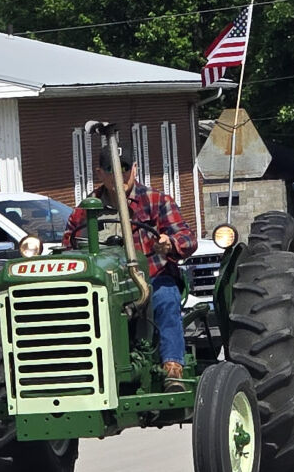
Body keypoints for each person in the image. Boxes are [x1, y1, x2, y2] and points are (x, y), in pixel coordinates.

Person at [62, 145, 197, 392]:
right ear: (99, 173)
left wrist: (169, 244)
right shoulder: (85, 211)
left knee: (166, 297)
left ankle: (172, 368)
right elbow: (68, 247)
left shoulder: (157, 201)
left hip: (152, 278)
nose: (119, 176)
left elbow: (188, 239)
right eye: (111, 170)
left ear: (134, 169)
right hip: (105, 287)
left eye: (125, 169)